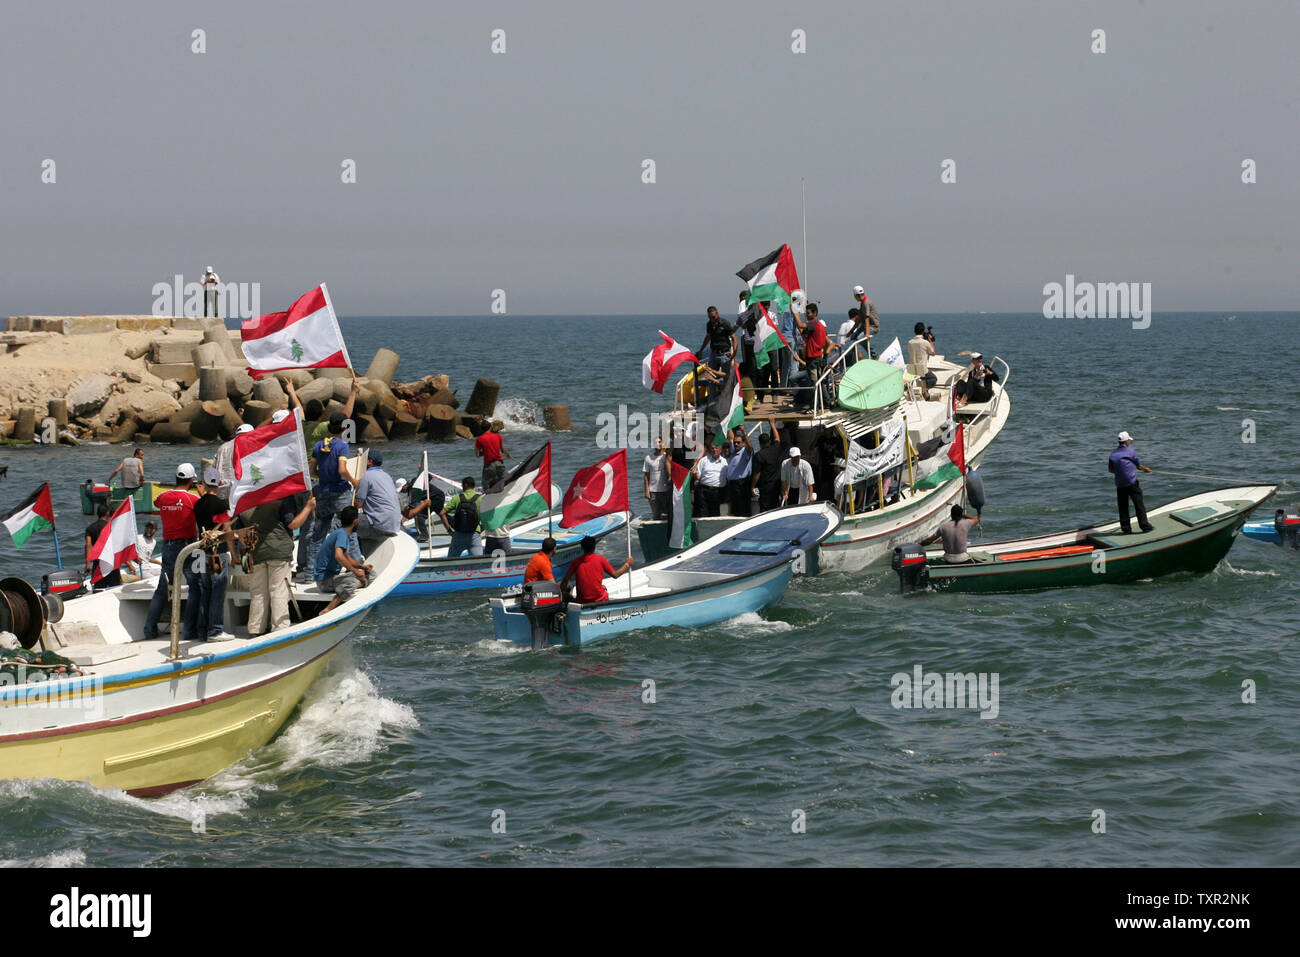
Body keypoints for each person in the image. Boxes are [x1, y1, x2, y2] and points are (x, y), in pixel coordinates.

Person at [241, 493, 315, 637]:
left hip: (256, 553)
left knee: (258, 593)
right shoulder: (280, 502)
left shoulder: (245, 505)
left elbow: (240, 533)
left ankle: (256, 629)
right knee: (278, 591)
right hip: (279, 552)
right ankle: (280, 629)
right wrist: (308, 507)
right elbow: (293, 524)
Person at [143, 463, 202, 641]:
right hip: (187, 546)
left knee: (163, 588)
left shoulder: (163, 497)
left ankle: (149, 629)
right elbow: (205, 507)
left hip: (167, 546)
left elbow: (156, 501)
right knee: (195, 587)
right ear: (192, 480)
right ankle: (190, 630)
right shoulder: (194, 500)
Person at [298, 411, 354, 582]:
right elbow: (342, 470)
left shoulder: (318, 445)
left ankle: (309, 574)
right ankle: (352, 567)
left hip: (322, 492)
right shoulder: (342, 445)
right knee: (348, 530)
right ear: (344, 427)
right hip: (339, 493)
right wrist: (355, 481)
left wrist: (322, 477)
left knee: (317, 534)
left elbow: (311, 471)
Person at [193, 467, 233, 640]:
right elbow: (227, 530)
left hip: (202, 552)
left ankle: (203, 630)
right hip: (218, 553)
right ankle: (215, 630)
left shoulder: (198, 504)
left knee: (206, 591)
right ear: (219, 483)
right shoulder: (221, 505)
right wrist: (235, 554)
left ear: (205, 482)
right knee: (217, 591)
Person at [314, 505, 371, 615]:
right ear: (355, 521)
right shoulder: (342, 534)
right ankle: (328, 609)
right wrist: (356, 572)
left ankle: (361, 581)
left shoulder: (340, 533)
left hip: (329, 578)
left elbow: (347, 558)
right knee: (353, 582)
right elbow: (338, 556)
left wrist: (362, 567)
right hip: (324, 581)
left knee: (370, 573)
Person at [350, 449, 402, 550]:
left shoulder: (365, 476)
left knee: (344, 520)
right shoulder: (387, 476)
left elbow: (358, 504)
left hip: (380, 526)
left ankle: (353, 557)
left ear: (370, 461)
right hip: (394, 525)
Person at [560, 536, 632, 604]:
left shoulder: (576, 562)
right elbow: (615, 575)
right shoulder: (601, 559)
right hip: (599, 599)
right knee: (603, 589)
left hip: (581, 600)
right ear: (594, 547)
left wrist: (563, 593)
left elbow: (565, 581)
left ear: (582, 548)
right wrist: (627, 564)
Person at [1108, 430, 1154, 534]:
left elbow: (1110, 470)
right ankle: (1145, 526)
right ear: (1126, 441)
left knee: (1123, 506)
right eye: (1129, 440)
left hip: (1120, 484)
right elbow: (1138, 466)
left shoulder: (1112, 454)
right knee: (1139, 504)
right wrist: (1146, 469)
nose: (1129, 441)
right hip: (1131, 483)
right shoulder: (1130, 452)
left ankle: (1126, 529)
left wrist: (1121, 471)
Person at [441, 477, 484, 557]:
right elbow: (487, 517)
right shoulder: (480, 499)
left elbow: (442, 513)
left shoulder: (457, 498)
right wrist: (481, 529)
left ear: (465, 485)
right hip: (474, 535)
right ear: (473, 486)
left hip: (458, 535)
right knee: (478, 561)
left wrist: (449, 530)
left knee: (450, 561)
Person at [751, 417, 786, 511]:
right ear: (769, 442)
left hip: (766, 486)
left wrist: (753, 486)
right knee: (775, 507)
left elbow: (757, 474)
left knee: (764, 509)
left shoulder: (759, 455)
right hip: (777, 485)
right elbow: (777, 438)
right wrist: (772, 424)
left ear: (760, 443)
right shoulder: (776, 448)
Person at [84, 504, 121, 591]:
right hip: (111, 564)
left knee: (99, 591)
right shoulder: (111, 526)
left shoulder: (90, 528)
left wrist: (88, 564)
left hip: (98, 565)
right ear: (107, 513)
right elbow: (117, 546)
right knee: (115, 589)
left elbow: (88, 545)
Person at [693, 442, 729, 517]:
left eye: (716, 448)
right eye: (712, 448)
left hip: (718, 492)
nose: (714, 450)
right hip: (704, 491)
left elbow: (728, 477)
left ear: (720, 449)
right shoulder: (703, 460)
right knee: (703, 513)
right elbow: (697, 474)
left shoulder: (725, 462)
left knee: (715, 513)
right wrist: (696, 475)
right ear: (710, 449)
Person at [725, 427, 754, 517]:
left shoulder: (745, 453)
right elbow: (730, 437)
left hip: (742, 485)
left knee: (743, 510)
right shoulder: (734, 451)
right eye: (735, 443)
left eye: (738, 443)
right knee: (735, 510)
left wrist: (743, 431)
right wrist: (729, 424)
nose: (736, 444)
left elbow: (750, 446)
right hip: (732, 485)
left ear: (743, 443)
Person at [697, 306, 737, 372]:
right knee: (711, 374)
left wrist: (734, 352)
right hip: (714, 354)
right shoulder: (709, 324)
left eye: (713, 317)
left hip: (724, 353)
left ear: (717, 313)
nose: (712, 319)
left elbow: (734, 337)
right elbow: (708, 337)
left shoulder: (725, 323)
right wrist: (701, 350)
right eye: (710, 317)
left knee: (725, 375)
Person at [643, 436, 671, 520]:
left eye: (659, 442)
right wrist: (647, 491)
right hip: (653, 491)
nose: (658, 444)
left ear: (663, 443)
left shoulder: (667, 457)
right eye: (656, 443)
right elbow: (646, 476)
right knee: (656, 515)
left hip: (665, 490)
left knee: (667, 514)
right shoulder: (648, 458)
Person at [475, 425, 511, 489]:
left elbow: (477, 455)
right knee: (506, 483)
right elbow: (503, 450)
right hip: (499, 463)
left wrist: (486, 452)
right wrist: (508, 454)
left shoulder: (479, 439)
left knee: (486, 487)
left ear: (481, 429)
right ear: (490, 427)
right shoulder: (498, 436)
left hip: (489, 465)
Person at [852, 284, 880, 355]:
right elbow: (859, 320)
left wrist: (867, 333)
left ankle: (874, 354)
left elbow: (866, 318)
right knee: (853, 338)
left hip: (872, 327)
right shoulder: (862, 303)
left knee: (860, 339)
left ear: (856, 295)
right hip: (864, 326)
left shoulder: (866, 303)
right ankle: (851, 357)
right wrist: (851, 331)